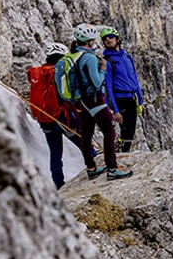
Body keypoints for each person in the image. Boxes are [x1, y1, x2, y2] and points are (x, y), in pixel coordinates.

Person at [63, 23, 133, 181]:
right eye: (93, 39)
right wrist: (103, 70)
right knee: (109, 131)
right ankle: (113, 168)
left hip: (79, 101)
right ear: (89, 41)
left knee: (86, 134)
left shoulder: (73, 55)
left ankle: (91, 168)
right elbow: (96, 82)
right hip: (94, 99)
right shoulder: (89, 57)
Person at [27, 42, 75, 188]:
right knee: (83, 141)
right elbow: (65, 96)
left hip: (44, 120)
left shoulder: (38, 73)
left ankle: (58, 183)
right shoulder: (57, 72)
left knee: (55, 152)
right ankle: (95, 167)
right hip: (60, 117)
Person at [100, 26, 145, 153]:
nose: (108, 40)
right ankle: (122, 157)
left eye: (110, 37)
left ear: (118, 39)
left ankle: (123, 155)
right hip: (120, 99)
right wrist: (115, 110)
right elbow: (107, 87)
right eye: (105, 39)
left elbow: (134, 79)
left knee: (131, 131)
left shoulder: (127, 57)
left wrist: (140, 101)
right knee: (127, 132)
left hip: (131, 98)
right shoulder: (108, 61)